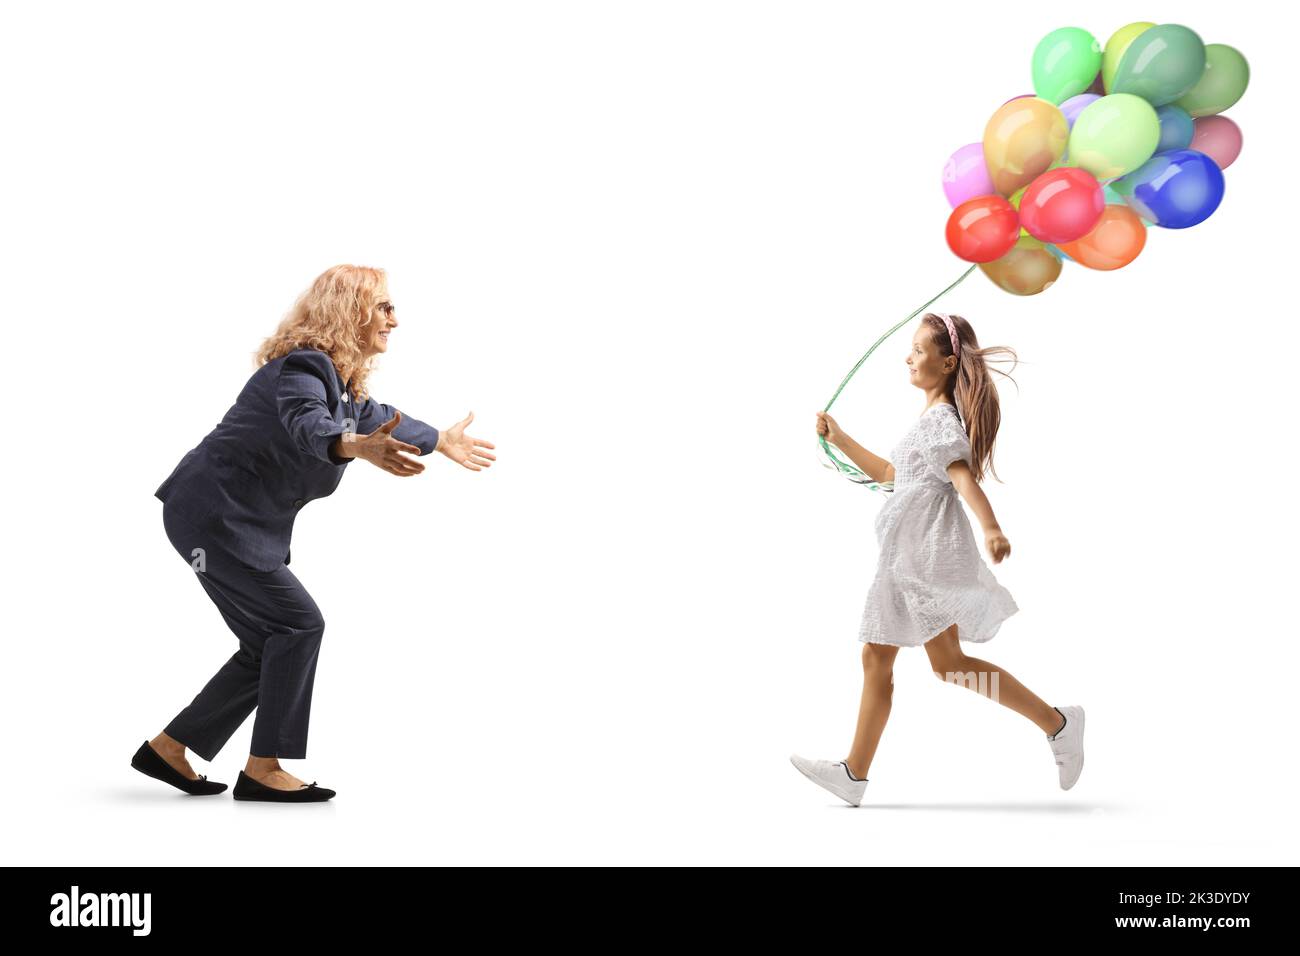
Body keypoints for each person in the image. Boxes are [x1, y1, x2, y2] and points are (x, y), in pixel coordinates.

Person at [131, 264, 496, 802]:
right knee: (298, 625)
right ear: (350, 312)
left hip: (237, 526)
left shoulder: (341, 389)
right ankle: (264, 768)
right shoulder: (302, 370)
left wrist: (440, 439)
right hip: (210, 520)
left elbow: (377, 415)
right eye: (384, 307)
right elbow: (311, 425)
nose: (395, 319)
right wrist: (354, 445)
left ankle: (168, 749)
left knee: (268, 643)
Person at [789, 311, 1084, 807]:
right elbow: (891, 474)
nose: (909, 356)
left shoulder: (941, 421)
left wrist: (991, 527)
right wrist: (839, 438)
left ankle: (856, 774)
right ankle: (1057, 723)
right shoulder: (927, 422)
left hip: (921, 560)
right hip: (907, 558)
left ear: (947, 363)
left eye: (919, 350)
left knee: (894, 657)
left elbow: (964, 477)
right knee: (936, 663)